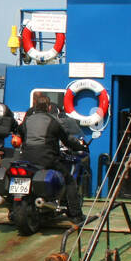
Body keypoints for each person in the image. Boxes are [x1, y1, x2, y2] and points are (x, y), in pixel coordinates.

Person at [16, 92, 87, 223]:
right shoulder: (53, 122)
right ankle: (76, 215)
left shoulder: (27, 121)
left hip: (25, 159)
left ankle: (13, 209)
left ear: (35, 106)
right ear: (49, 107)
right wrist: (80, 147)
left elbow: (19, 134)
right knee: (69, 180)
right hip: (46, 159)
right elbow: (67, 140)